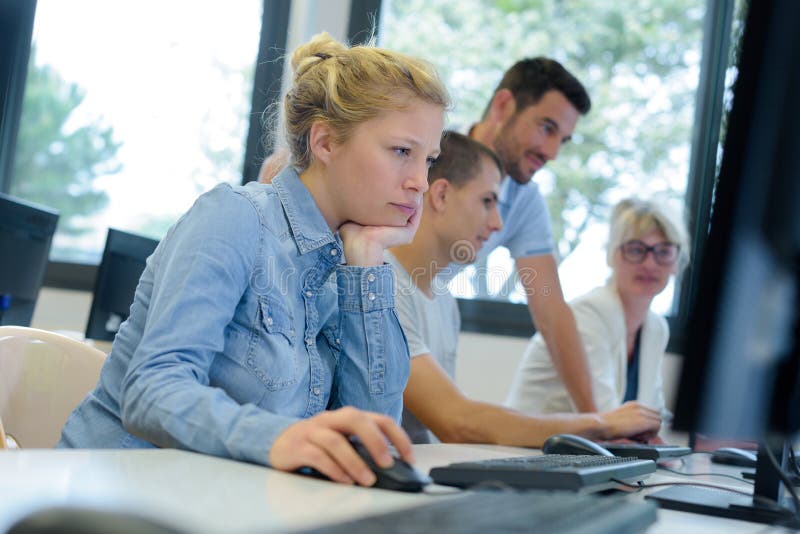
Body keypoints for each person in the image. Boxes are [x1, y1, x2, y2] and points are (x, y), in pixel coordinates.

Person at [58, 32, 450, 487]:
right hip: (112, 498)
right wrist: (279, 439)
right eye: (402, 151)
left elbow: (374, 440)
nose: (420, 182)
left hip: (227, 504)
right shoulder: (235, 217)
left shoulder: (348, 257)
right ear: (324, 142)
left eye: (429, 160)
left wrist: (365, 265)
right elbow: (151, 391)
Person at [389, 132, 662, 446]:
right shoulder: (386, 286)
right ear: (440, 196)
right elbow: (458, 422)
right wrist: (602, 424)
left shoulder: (443, 300)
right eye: (487, 202)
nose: (498, 224)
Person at [461, 57, 600, 413]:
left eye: (563, 140)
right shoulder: (428, 160)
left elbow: (551, 310)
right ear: (504, 106)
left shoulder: (524, 200)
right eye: (546, 128)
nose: (552, 152)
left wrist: (597, 422)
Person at [506, 198, 690, 432]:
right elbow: (607, 418)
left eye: (663, 252)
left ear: (677, 261)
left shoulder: (655, 328)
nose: (650, 264)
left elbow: (651, 416)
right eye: (636, 250)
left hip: (585, 455)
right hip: (527, 450)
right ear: (612, 255)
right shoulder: (591, 312)